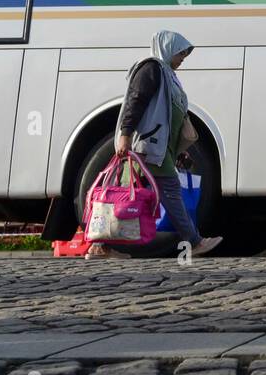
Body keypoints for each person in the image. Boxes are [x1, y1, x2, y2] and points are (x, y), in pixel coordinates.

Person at [87, 30, 222, 258]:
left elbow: (167, 117)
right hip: (147, 148)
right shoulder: (152, 69)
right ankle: (195, 241)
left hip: (158, 148)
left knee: (121, 194)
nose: (182, 60)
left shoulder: (167, 75)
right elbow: (135, 101)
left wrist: (177, 152)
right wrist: (125, 135)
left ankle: (100, 246)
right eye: (180, 54)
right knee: (170, 191)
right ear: (168, 49)